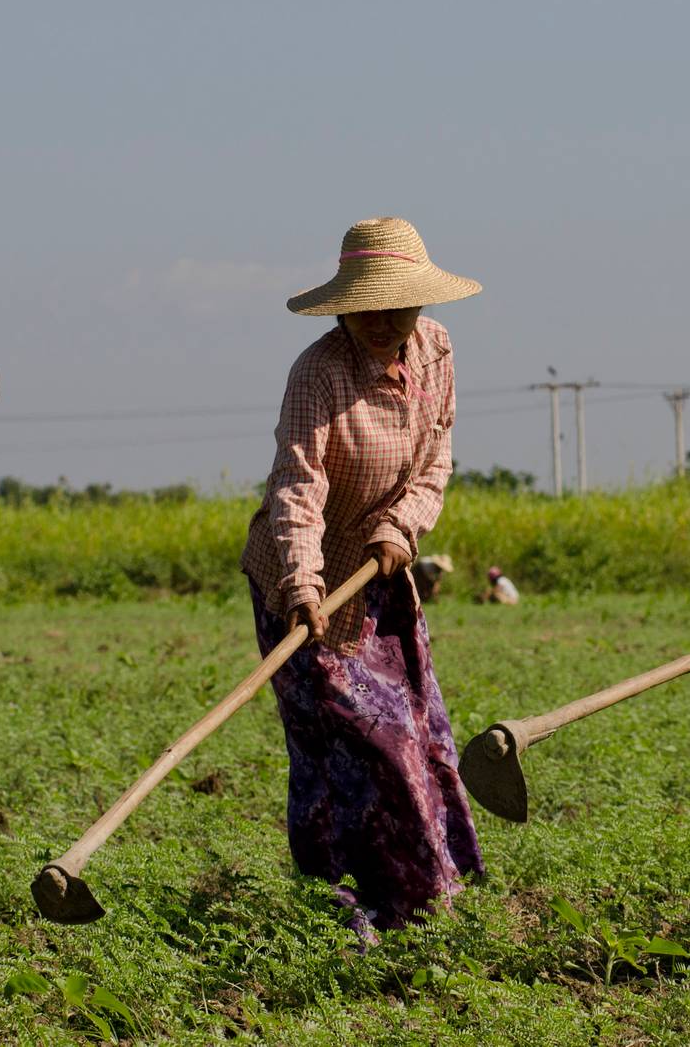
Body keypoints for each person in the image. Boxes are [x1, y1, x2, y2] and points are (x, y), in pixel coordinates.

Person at [240, 216, 484, 940]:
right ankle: (348, 909)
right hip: (305, 584)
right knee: (352, 749)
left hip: (382, 575)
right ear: (343, 305)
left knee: (417, 733)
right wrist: (302, 583)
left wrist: (400, 525)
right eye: (368, 306)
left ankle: (429, 899)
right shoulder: (318, 372)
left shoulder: (436, 349)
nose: (383, 321)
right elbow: (297, 486)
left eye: (398, 305)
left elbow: (437, 454)